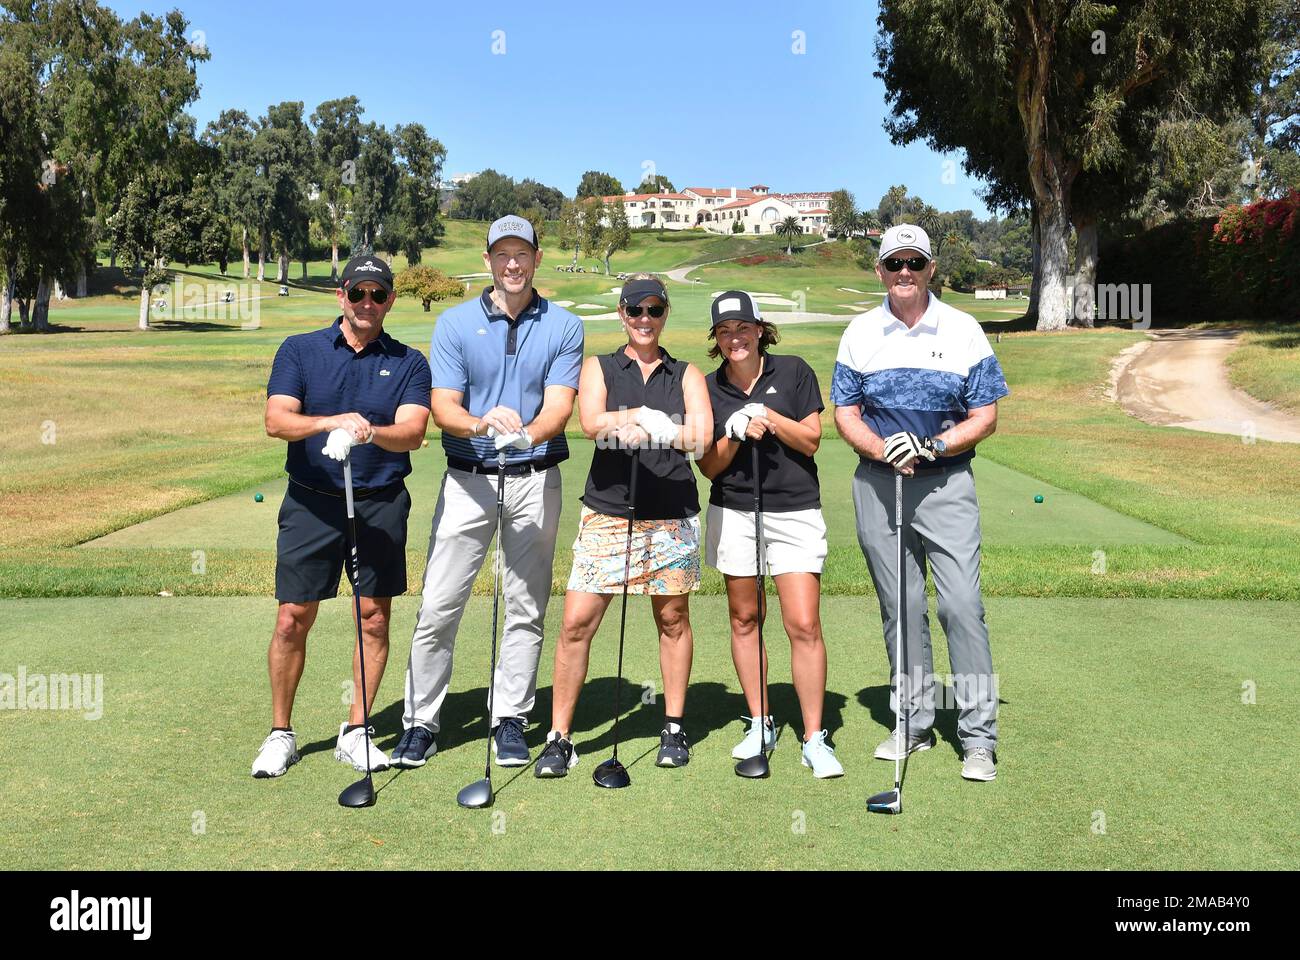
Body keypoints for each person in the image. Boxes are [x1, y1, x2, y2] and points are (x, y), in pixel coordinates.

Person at [391, 216, 583, 769]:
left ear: (537, 260)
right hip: (468, 479)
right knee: (439, 602)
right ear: (489, 261)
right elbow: (444, 406)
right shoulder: (453, 324)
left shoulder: (564, 326)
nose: (513, 265)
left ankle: (510, 718)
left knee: (525, 604)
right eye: (503, 255)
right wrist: (480, 425)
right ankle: (421, 721)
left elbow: (559, 405)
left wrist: (526, 433)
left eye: (523, 254)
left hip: (535, 477)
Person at [831, 224, 1009, 782]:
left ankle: (978, 736)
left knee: (961, 606)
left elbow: (986, 415)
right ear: (880, 270)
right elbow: (845, 413)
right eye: (894, 264)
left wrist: (934, 444)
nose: (904, 273)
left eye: (914, 262)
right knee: (902, 609)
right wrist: (885, 449)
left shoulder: (963, 330)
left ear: (932, 268)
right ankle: (912, 723)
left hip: (946, 484)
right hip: (879, 485)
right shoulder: (861, 332)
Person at [252, 254, 431, 779]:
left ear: (390, 300)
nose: (367, 304)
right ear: (342, 297)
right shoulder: (301, 350)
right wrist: (331, 422)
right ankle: (281, 733)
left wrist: (367, 432)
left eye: (378, 295)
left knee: (373, 617)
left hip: (379, 500)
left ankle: (356, 731)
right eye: (358, 294)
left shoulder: (408, 362)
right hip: (312, 501)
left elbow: (414, 431)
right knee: (292, 618)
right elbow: (275, 419)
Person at [534, 276, 712, 777]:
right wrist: (637, 414)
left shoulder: (686, 373)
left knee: (673, 620)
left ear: (665, 314)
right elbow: (591, 421)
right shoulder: (601, 366)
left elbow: (701, 437)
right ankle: (559, 737)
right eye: (635, 310)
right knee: (576, 624)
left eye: (654, 310)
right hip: (609, 513)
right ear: (622, 313)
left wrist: (662, 429)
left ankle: (673, 727)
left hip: (671, 514)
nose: (644, 320)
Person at [696, 291, 843, 778]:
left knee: (802, 623)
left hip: (794, 510)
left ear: (760, 329)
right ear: (716, 339)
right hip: (734, 511)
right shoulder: (710, 388)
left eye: (742, 328)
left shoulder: (795, 370)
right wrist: (734, 433)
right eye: (724, 331)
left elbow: (811, 440)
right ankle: (760, 722)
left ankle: (814, 737)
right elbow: (710, 467)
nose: (735, 338)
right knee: (744, 618)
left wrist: (769, 418)